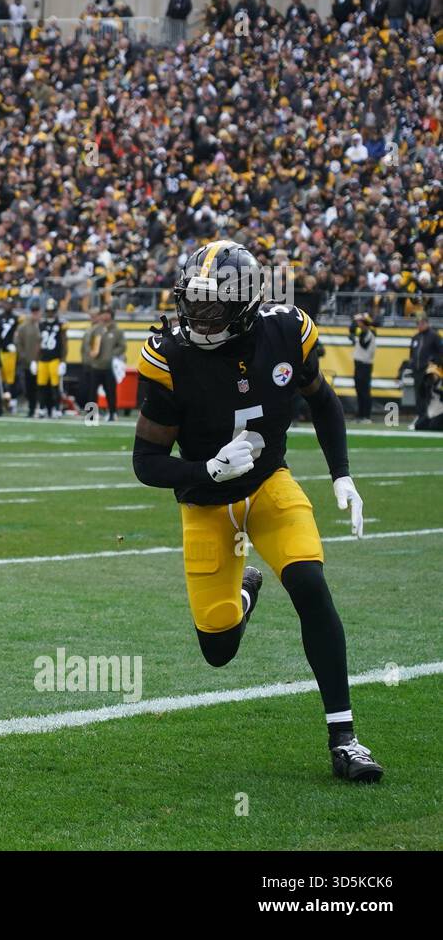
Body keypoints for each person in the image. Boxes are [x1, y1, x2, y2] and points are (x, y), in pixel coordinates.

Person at [132, 240, 382, 783]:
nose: (197, 316)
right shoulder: (167, 354)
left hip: (269, 485)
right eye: (191, 302)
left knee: (312, 585)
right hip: (206, 505)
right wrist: (206, 471)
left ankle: (345, 738)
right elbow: (146, 461)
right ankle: (243, 592)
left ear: (244, 304)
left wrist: (342, 474)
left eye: (212, 305)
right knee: (218, 648)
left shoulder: (286, 329)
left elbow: (322, 399)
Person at [36, 299, 67, 417]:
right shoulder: (41, 324)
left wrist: (63, 361)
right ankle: (42, 408)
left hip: (55, 358)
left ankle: (56, 408)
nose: (50, 313)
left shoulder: (60, 324)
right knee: (41, 386)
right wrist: (35, 360)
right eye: (48, 311)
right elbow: (38, 343)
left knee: (55, 386)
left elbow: (64, 343)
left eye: (52, 311)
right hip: (43, 358)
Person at [408, 317, 443, 419]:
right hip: (417, 370)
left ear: (427, 323)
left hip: (429, 371)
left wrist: (434, 362)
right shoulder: (415, 337)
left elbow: (441, 352)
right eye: (418, 324)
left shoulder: (435, 336)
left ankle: (429, 416)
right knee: (418, 394)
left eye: (422, 323)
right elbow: (411, 354)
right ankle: (420, 416)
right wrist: (412, 365)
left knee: (428, 393)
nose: (419, 326)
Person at [14, 302, 41, 416]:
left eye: (37, 311)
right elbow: (18, 342)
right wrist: (24, 357)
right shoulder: (24, 327)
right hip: (28, 362)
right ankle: (31, 408)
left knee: (44, 387)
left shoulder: (44, 325)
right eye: (33, 312)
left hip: (44, 361)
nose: (35, 314)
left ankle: (44, 408)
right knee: (30, 386)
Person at [349, 312, 376, 422]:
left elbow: (363, 344)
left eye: (360, 322)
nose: (358, 324)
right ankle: (360, 415)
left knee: (365, 391)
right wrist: (355, 321)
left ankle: (366, 416)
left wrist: (355, 336)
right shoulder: (362, 333)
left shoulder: (369, 334)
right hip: (359, 365)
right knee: (359, 390)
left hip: (365, 365)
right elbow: (352, 329)